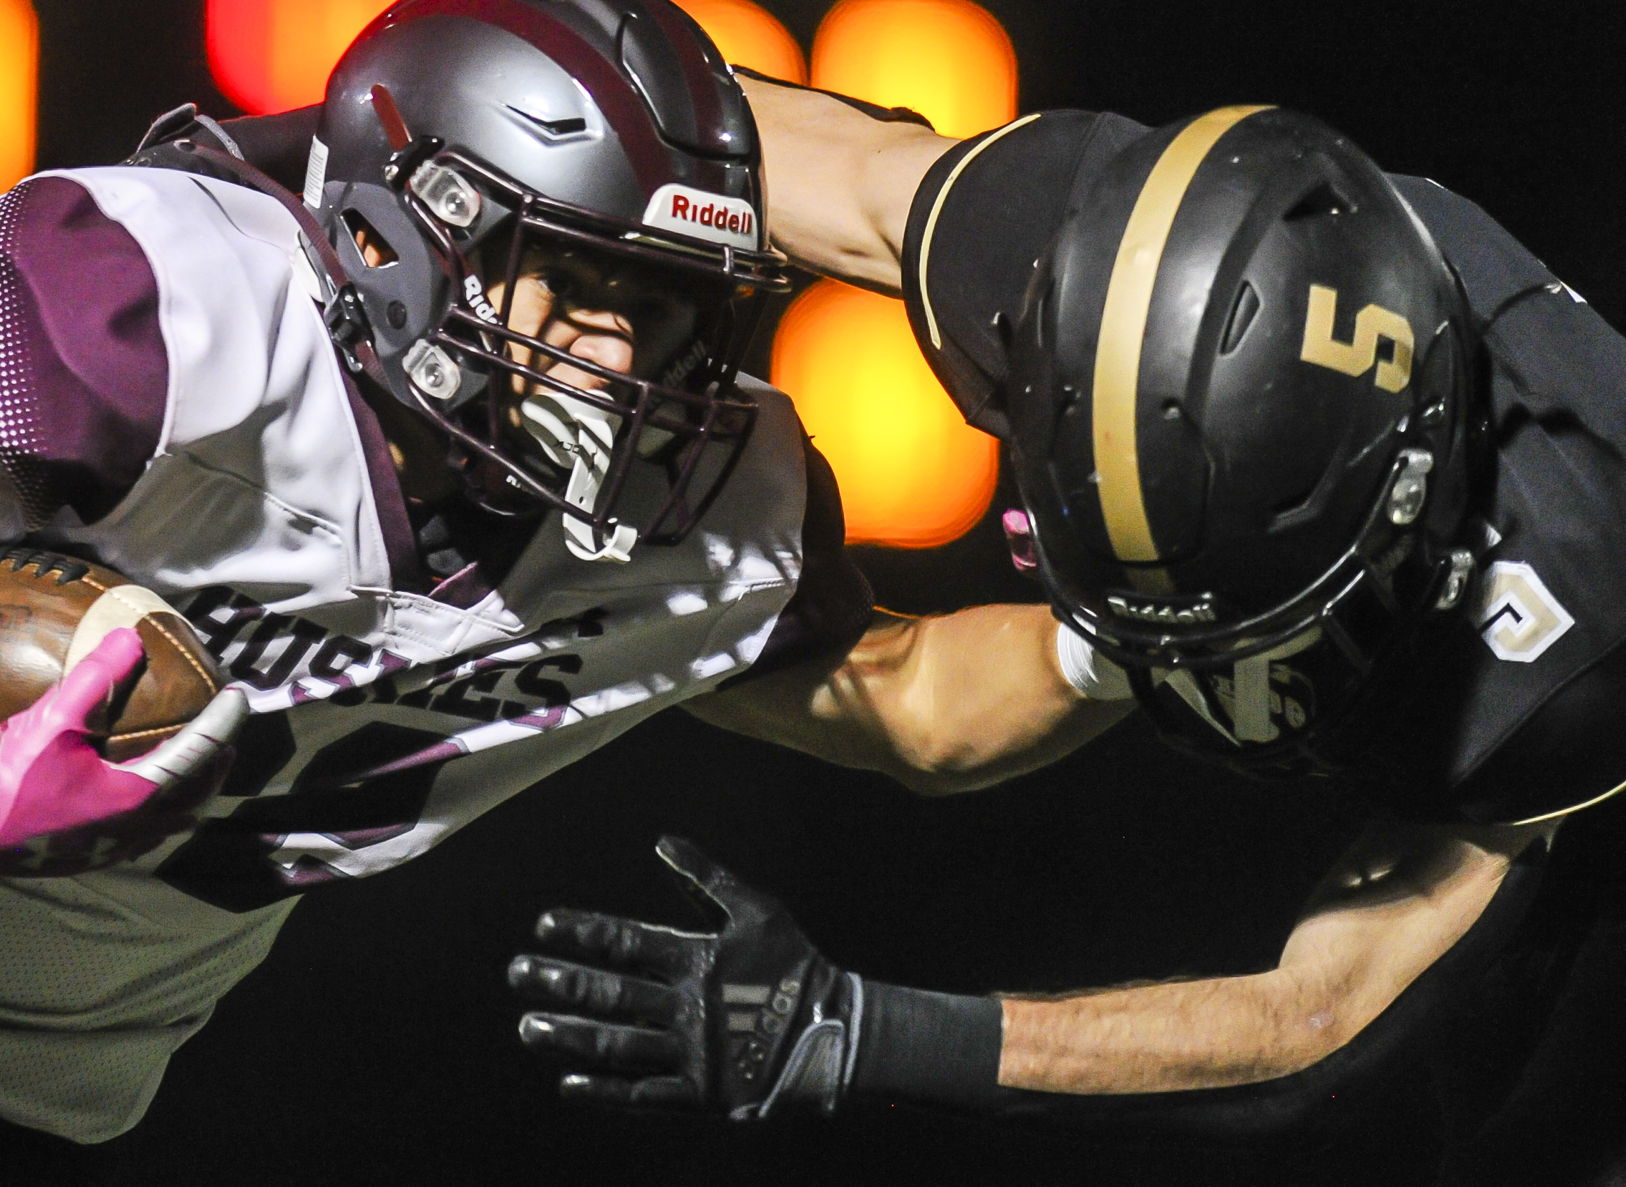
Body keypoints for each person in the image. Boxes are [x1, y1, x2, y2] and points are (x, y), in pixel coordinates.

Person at [0, 0, 1046, 1185]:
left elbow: (915, 704)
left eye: (662, 306)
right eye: (578, 277)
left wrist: (1112, 637)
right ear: (411, 235)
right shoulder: (171, 318)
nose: (621, 355)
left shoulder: (695, 511)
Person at [509, 83, 1626, 1182]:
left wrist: (869, 1032)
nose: (1205, 691)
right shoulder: (1074, 249)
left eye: (1242, 634)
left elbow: (1315, 1024)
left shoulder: (1581, 633)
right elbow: (703, 121)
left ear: (1408, 513)